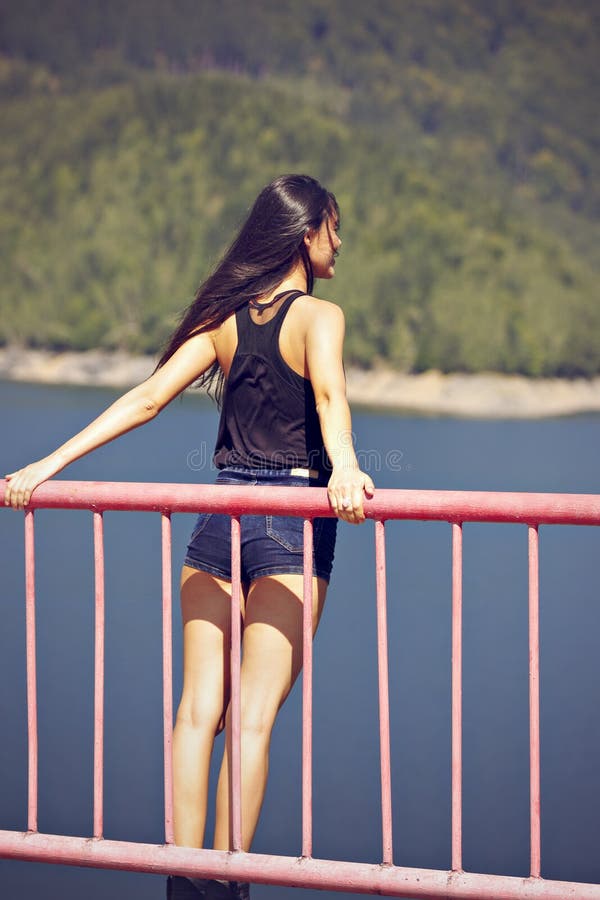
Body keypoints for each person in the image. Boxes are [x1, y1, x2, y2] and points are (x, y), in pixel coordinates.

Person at [4, 174, 375, 900]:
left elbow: (146, 397)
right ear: (307, 235)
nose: (341, 242)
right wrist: (350, 470)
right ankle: (229, 884)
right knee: (254, 719)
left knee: (197, 711)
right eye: (335, 228)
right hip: (294, 519)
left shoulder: (226, 320)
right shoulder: (320, 319)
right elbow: (329, 396)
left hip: (216, 517)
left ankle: (185, 879)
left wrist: (46, 464)